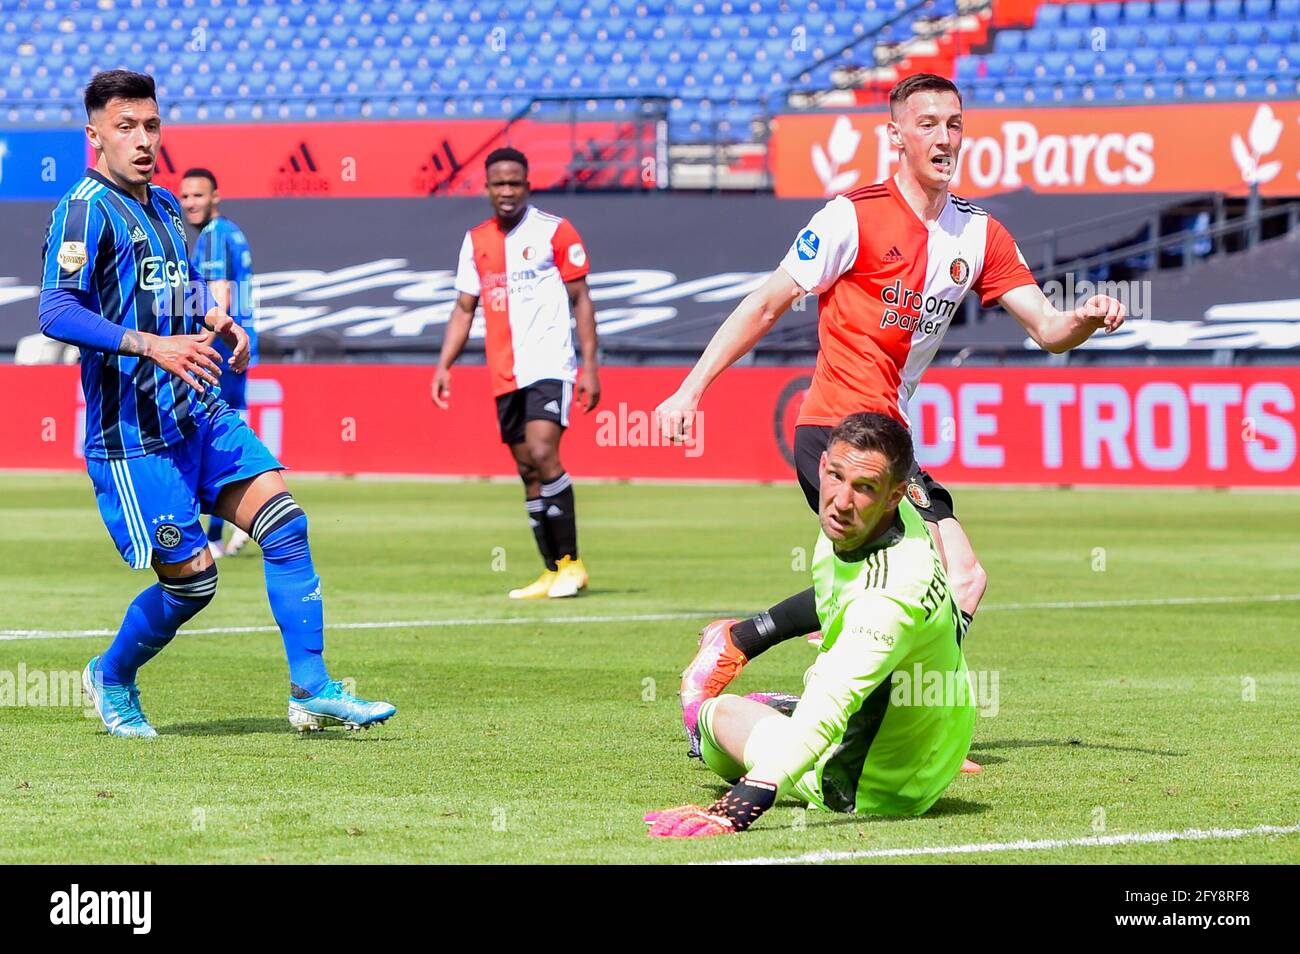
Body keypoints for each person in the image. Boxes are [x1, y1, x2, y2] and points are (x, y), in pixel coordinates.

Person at [654, 73, 1126, 760]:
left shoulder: (980, 234)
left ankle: (748, 646)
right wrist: (690, 389)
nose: (944, 137)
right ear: (896, 135)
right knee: (938, 578)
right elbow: (767, 302)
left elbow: (1049, 330)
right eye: (927, 123)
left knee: (937, 582)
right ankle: (888, 727)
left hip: (892, 440)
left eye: (954, 124)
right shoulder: (850, 216)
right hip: (838, 433)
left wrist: (1084, 317)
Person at [38, 70, 394, 737]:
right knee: (194, 583)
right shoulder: (83, 210)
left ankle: (312, 689)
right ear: (94, 136)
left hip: (197, 410)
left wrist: (214, 315)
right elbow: (55, 309)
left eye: (151, 126)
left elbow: (182, 280)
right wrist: (152, 344)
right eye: (125, 127)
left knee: (286, 524)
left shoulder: (165, 205)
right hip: (133, 433)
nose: (143, 140)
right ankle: (111, 675)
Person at [646, 413, 975, 837]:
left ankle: (775, 715)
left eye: (864, 488)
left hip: (874, 786)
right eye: (836, 476)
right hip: (944, 747)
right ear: (822, 466)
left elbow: (826, 715)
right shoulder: (893, 524)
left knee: (715, 715)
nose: (841, 501)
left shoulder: (886, 600)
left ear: (895, 495)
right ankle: (790, 702)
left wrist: (741, 805)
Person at [432, 147, 601, 600]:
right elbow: (464, 308)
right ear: (487, 188)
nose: (506, 191)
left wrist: (590, 366)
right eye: (498, 184)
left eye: (514, 183)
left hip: (550, 364)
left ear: (527, 185)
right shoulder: (475, 241)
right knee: (527, 470)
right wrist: (444, 364)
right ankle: (551, 569)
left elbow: (581, 299)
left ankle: (573, 564)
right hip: (504, 373)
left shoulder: (554, 231)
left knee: (544, 452)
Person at [178, 166, 257, 559]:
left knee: (205, 443)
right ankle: (235, 523)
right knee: (230, 437)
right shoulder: (232, 233)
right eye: (185, 196)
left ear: (215, 197)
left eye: (198, 195)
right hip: (236, 350)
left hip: (218, 354)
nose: (191, 203)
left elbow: (220, 298)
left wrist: (198, 347)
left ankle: (212, 534)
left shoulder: (212, 237)